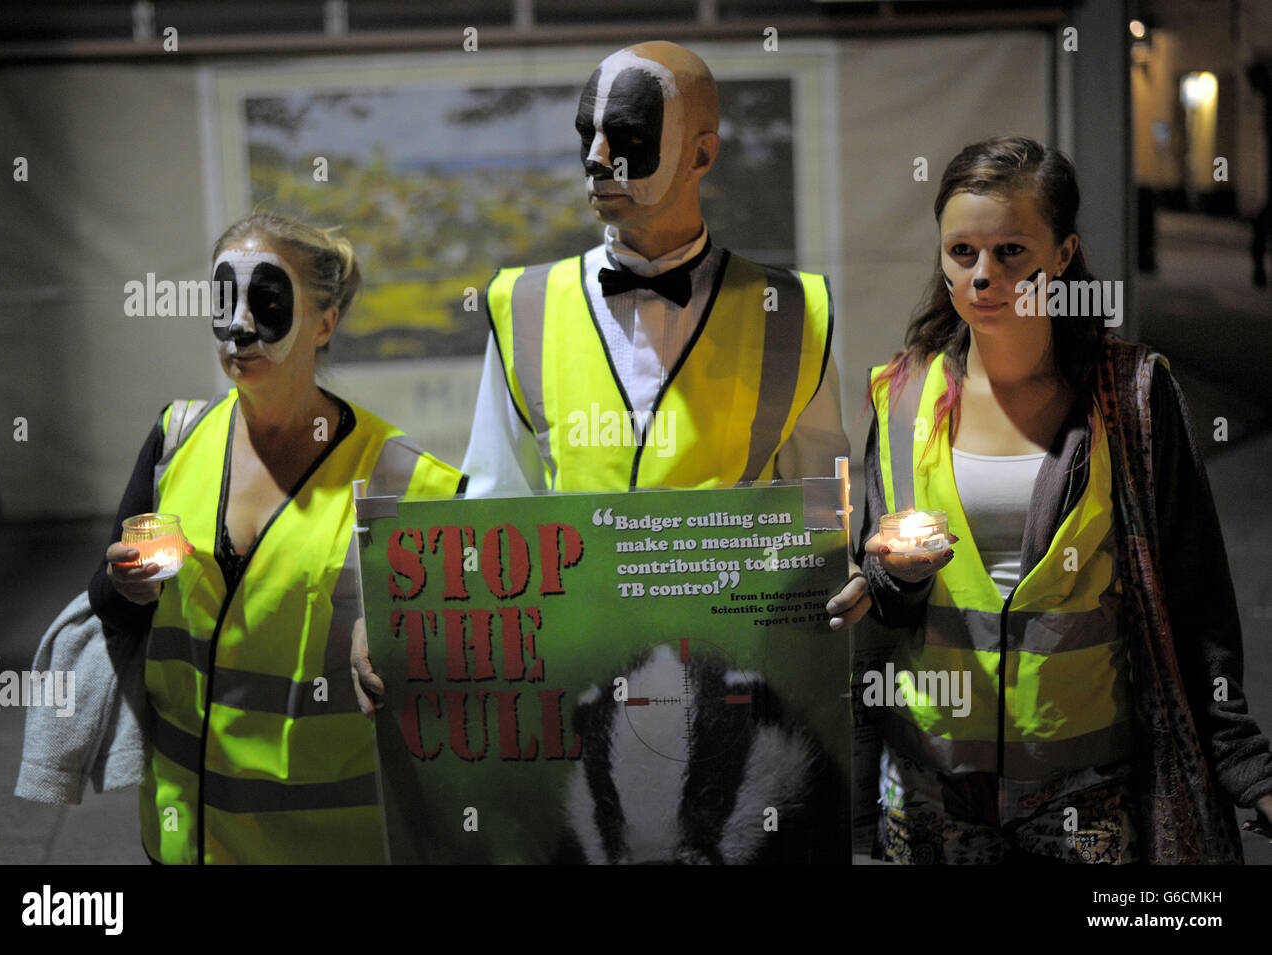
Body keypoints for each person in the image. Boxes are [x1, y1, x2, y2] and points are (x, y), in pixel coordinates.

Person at [858, 136, 1272, 864]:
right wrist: (892, 577)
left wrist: (1245, 766)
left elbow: (1196, 595)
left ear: (1063, 252)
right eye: (961, 252)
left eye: (1011, 251)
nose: (984, 276)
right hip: (931, 785)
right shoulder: (902, 394)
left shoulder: (1134, 397)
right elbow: (885, 597)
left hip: (1084, 790)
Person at [94, 212, 466, 864]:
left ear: (325, 321)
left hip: (322, 847)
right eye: (222, 299)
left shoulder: (405, 482)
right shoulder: (177, 438)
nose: (239, 324)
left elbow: (464, 672)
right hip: (184, 836)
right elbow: (112, 600)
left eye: (266, 300)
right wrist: (126, 584)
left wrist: (403, 648)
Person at [460, 40, 869, 629]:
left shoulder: (792, 310)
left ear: (702, 156)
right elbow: (494, 503)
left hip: (738, 654)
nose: (597, 159)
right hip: (576, 650)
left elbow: (819, 504)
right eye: (588, 135)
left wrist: (841, 569)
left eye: (626, 138)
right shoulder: (521, 304)